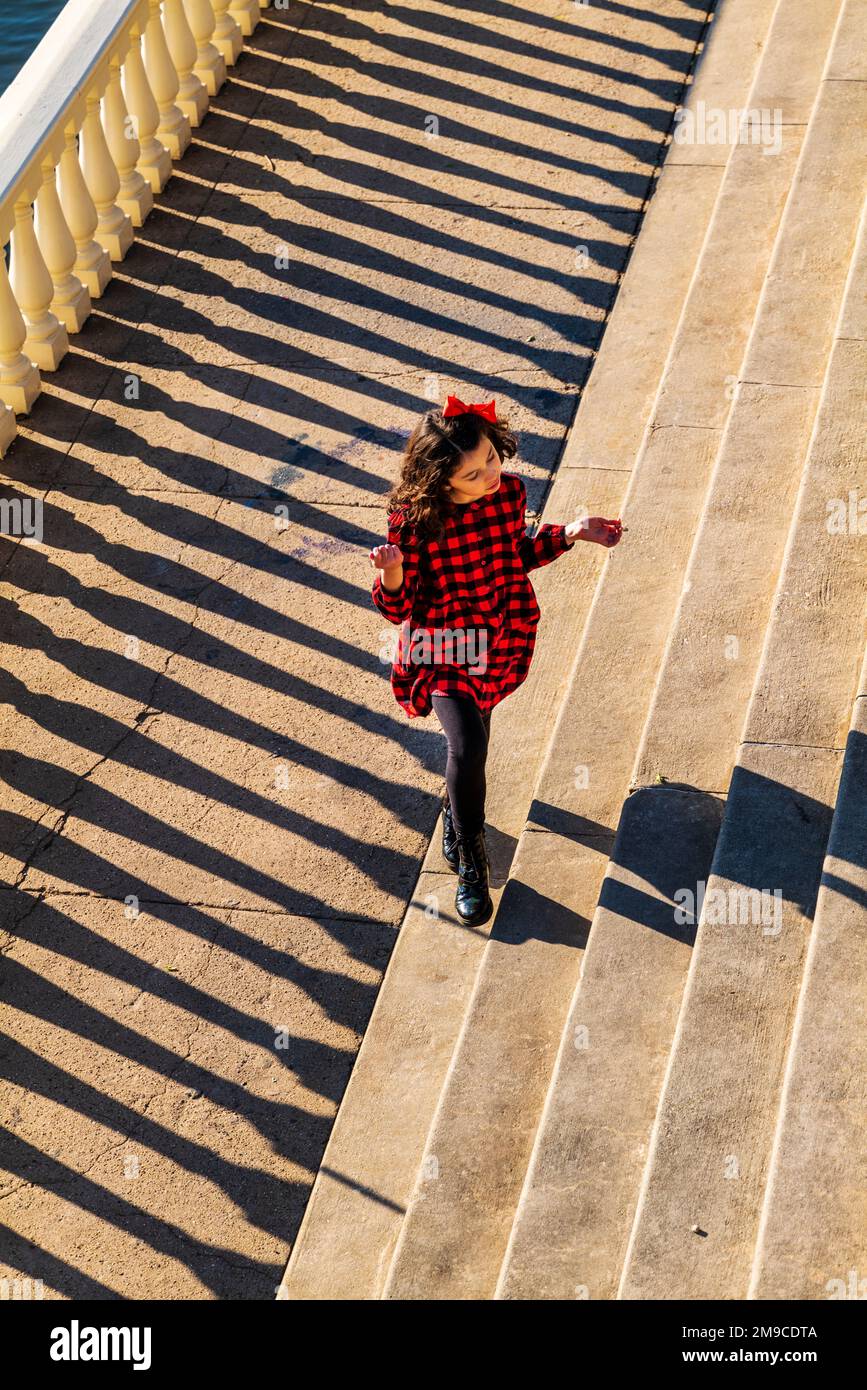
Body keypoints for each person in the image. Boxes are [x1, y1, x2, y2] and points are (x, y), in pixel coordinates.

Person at [369, 396, 623, 926]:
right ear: (440, 481)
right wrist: (392, 573)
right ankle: (472, 863)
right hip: (443, 646)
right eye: (471, 472)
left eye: (490, 458)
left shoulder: (508, 494)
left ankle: (453, 815)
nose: (489, 474)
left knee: (474, 744)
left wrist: (569, 534)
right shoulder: (413, 523)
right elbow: (399, 606)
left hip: (499, 633)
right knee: (467, 743)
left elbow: (515, 554)